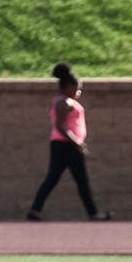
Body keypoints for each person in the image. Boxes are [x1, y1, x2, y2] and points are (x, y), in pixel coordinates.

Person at [26, 62, 112, 221]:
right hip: (66, 146)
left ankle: (35, 210)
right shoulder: (64, 101)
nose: (79, 91)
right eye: (77, 87)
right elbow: (60, 124)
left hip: (64, 145)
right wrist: (77, 142)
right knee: (79, 180)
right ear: (68, 86)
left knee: (55, 178)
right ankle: (93, 213)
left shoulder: (63, 100)